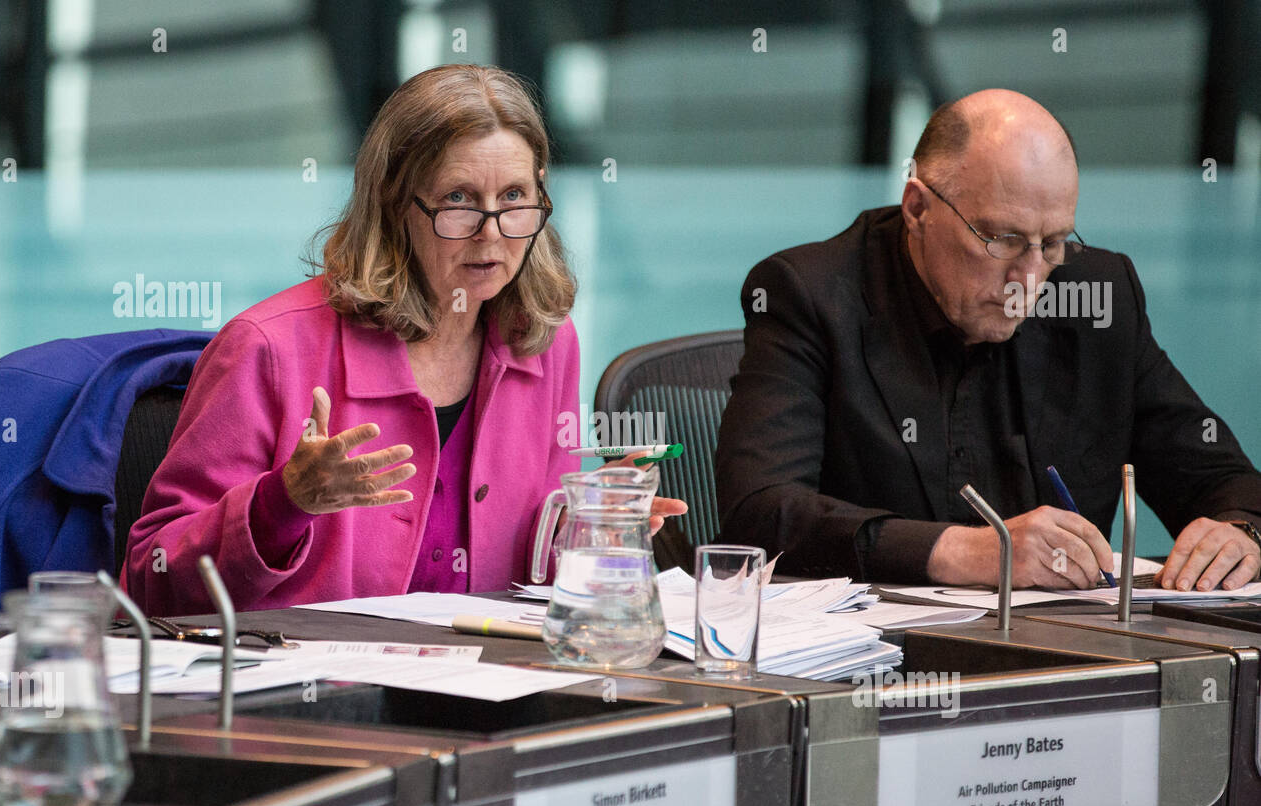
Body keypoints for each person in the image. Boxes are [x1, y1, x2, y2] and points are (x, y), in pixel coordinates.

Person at [126, 64, 685, 616]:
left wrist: (590, 524)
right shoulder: (267, 348)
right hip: (314, 692)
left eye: (514, 197)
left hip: (486, 685)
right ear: (396, 205)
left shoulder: (542, 340)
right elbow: (150, 578)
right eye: (460, 200)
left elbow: (527, 574)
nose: (491, 233)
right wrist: (282, 504)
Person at [716, 89, 1261, 592]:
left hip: (1070, 659)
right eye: (1002, 240)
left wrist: (1240, 534)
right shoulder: (811, 294)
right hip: (873, 664)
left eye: (1052, 243)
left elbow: (1222, 476)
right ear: (918, 208)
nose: (1028, 280)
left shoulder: (1098, 298)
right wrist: (971, 551)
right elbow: (762, 513)